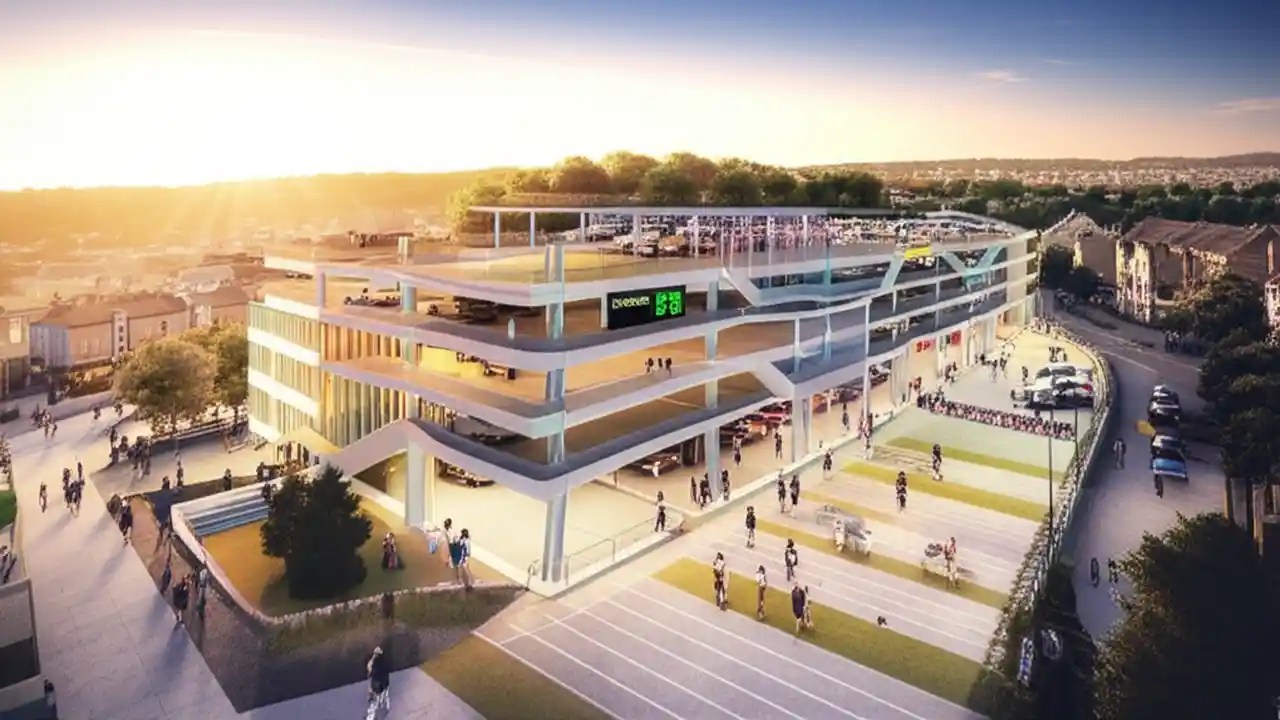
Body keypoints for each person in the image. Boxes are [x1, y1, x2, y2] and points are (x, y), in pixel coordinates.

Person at [367, 646, 391, 715]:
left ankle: (373, 710)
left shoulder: (375, 663)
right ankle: (384, 706)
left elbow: (370, 670)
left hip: (377, 683)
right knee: (384, 695)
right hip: (384, 683)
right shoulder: (384, 661)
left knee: (375, 697)